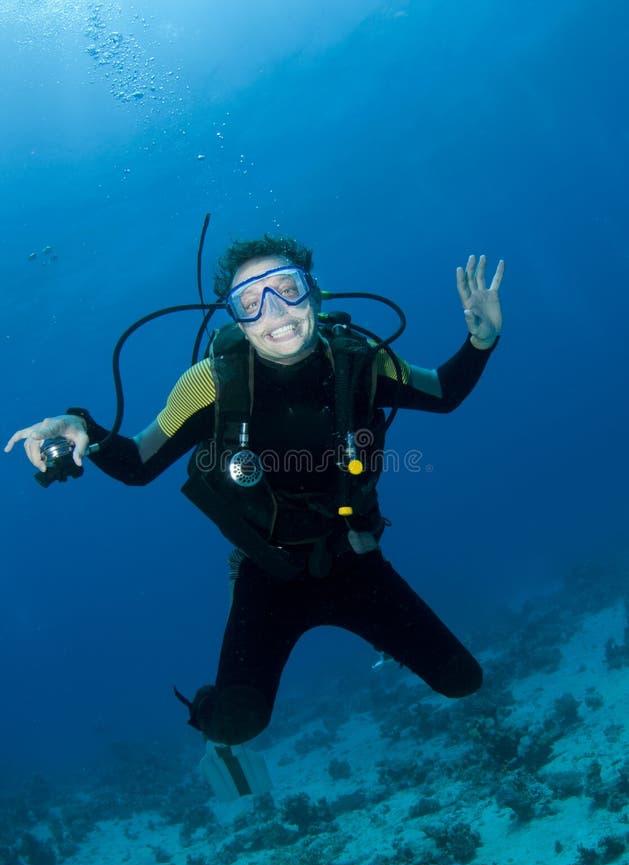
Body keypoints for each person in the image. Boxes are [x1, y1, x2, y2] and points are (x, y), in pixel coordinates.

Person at [5, 237, 504, 752]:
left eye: (287, 289)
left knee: (462, 679)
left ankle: (382, 636)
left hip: (356, 558)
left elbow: (442, 394)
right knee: (234, 724)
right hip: (268, 573)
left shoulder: (362, 362)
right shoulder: (211, 384)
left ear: (314, 294)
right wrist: (81, 425)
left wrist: (481, 341)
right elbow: (138, 464)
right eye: (251, 300)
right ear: (236, 318)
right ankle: (207, 709)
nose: (275, 311)